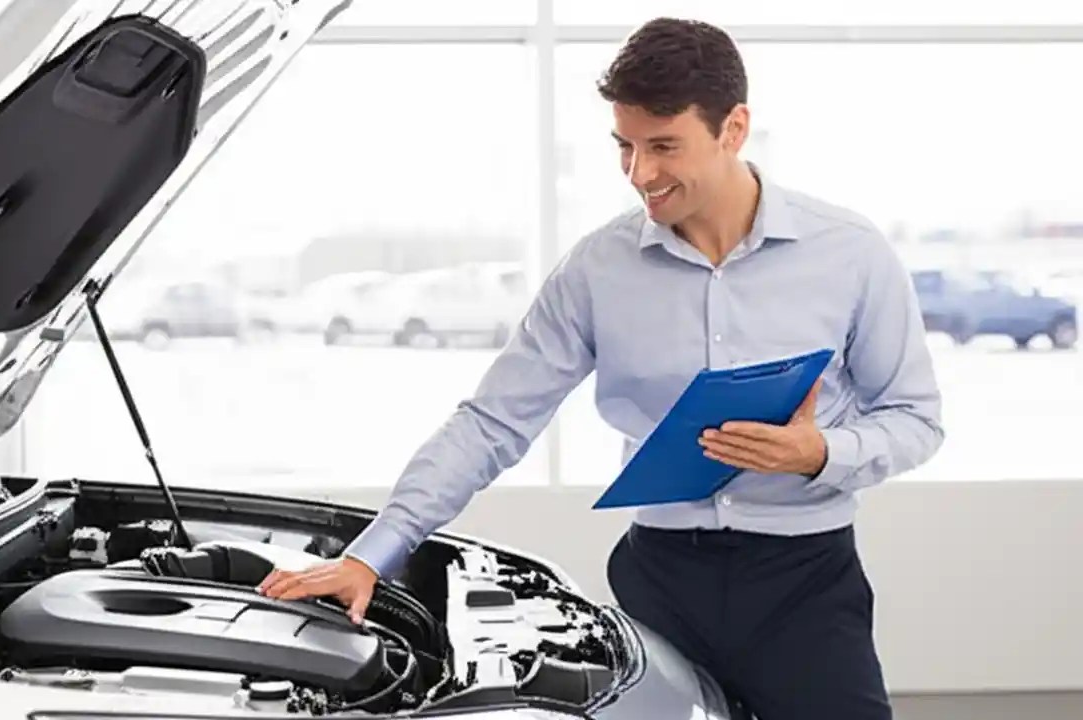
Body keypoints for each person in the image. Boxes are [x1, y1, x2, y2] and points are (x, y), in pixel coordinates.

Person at [259, 16, 943, 720]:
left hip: (805, 585)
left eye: (663, 146)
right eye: (625, 146)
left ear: (734, 129)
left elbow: (916, 418)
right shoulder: (597, 269)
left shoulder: (850, 254)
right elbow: (491, 423)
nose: (640, 174)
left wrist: (820, 453)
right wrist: (370, 554)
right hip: (662, 585)